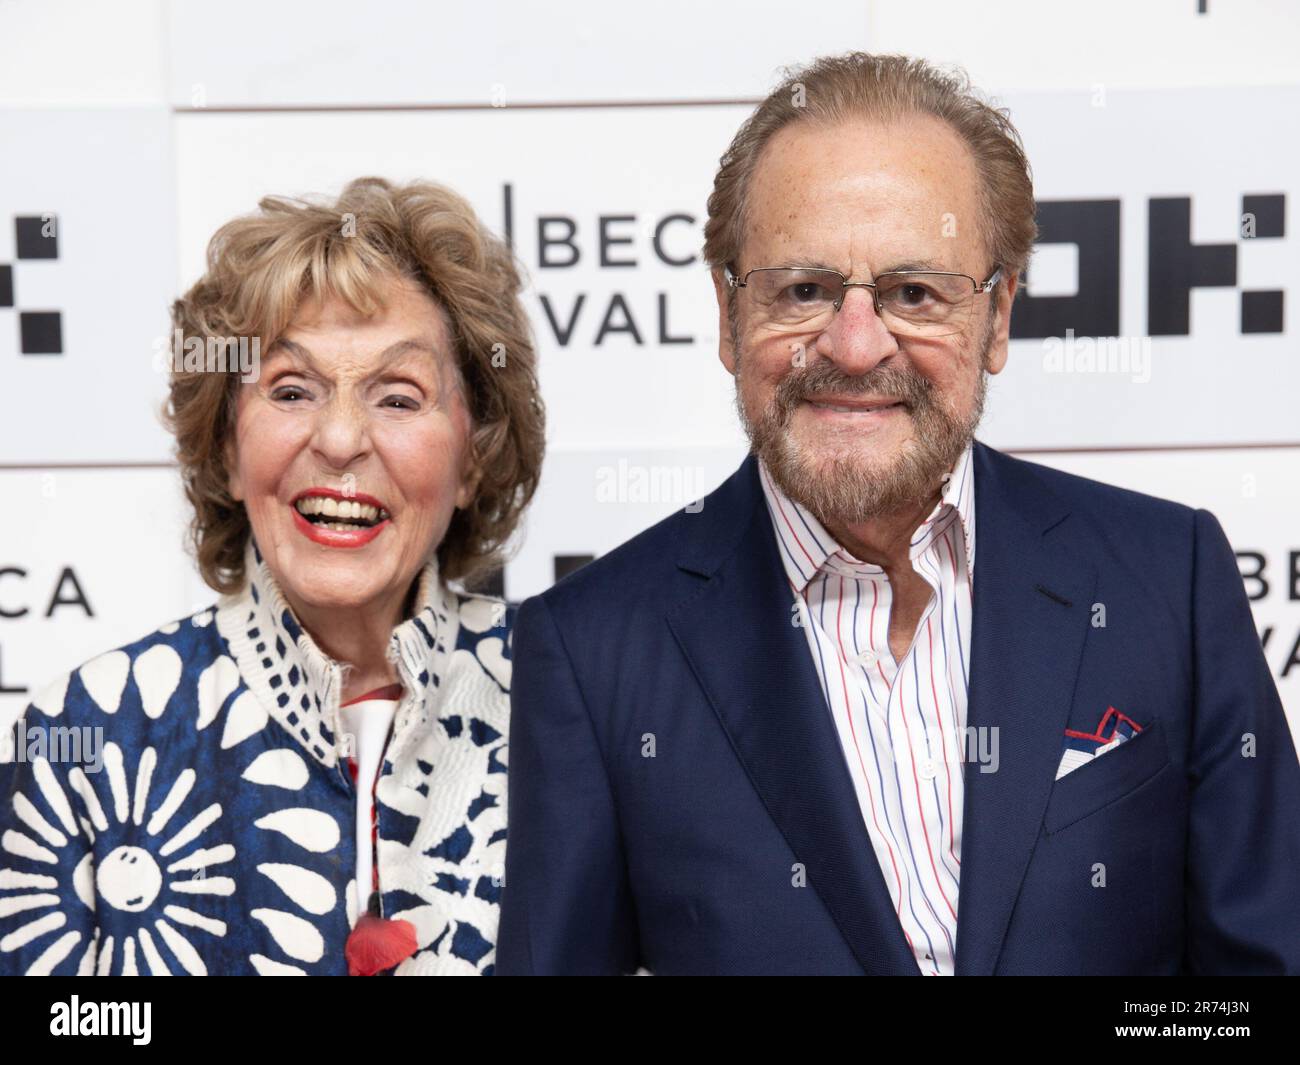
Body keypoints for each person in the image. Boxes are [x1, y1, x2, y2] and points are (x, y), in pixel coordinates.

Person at [497, 53, 1300, 975]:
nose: (855, 342)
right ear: (727, 314)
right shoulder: (593, 648)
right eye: (802, 289)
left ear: (996, 319)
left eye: (916, 292)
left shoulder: (1170, 576)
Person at [0, 177, 543, 975]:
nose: (341, 437)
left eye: (399, 396)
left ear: (475, 454)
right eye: (291, 390)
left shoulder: (576, 703)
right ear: (225, 444)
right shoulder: (80, 733)